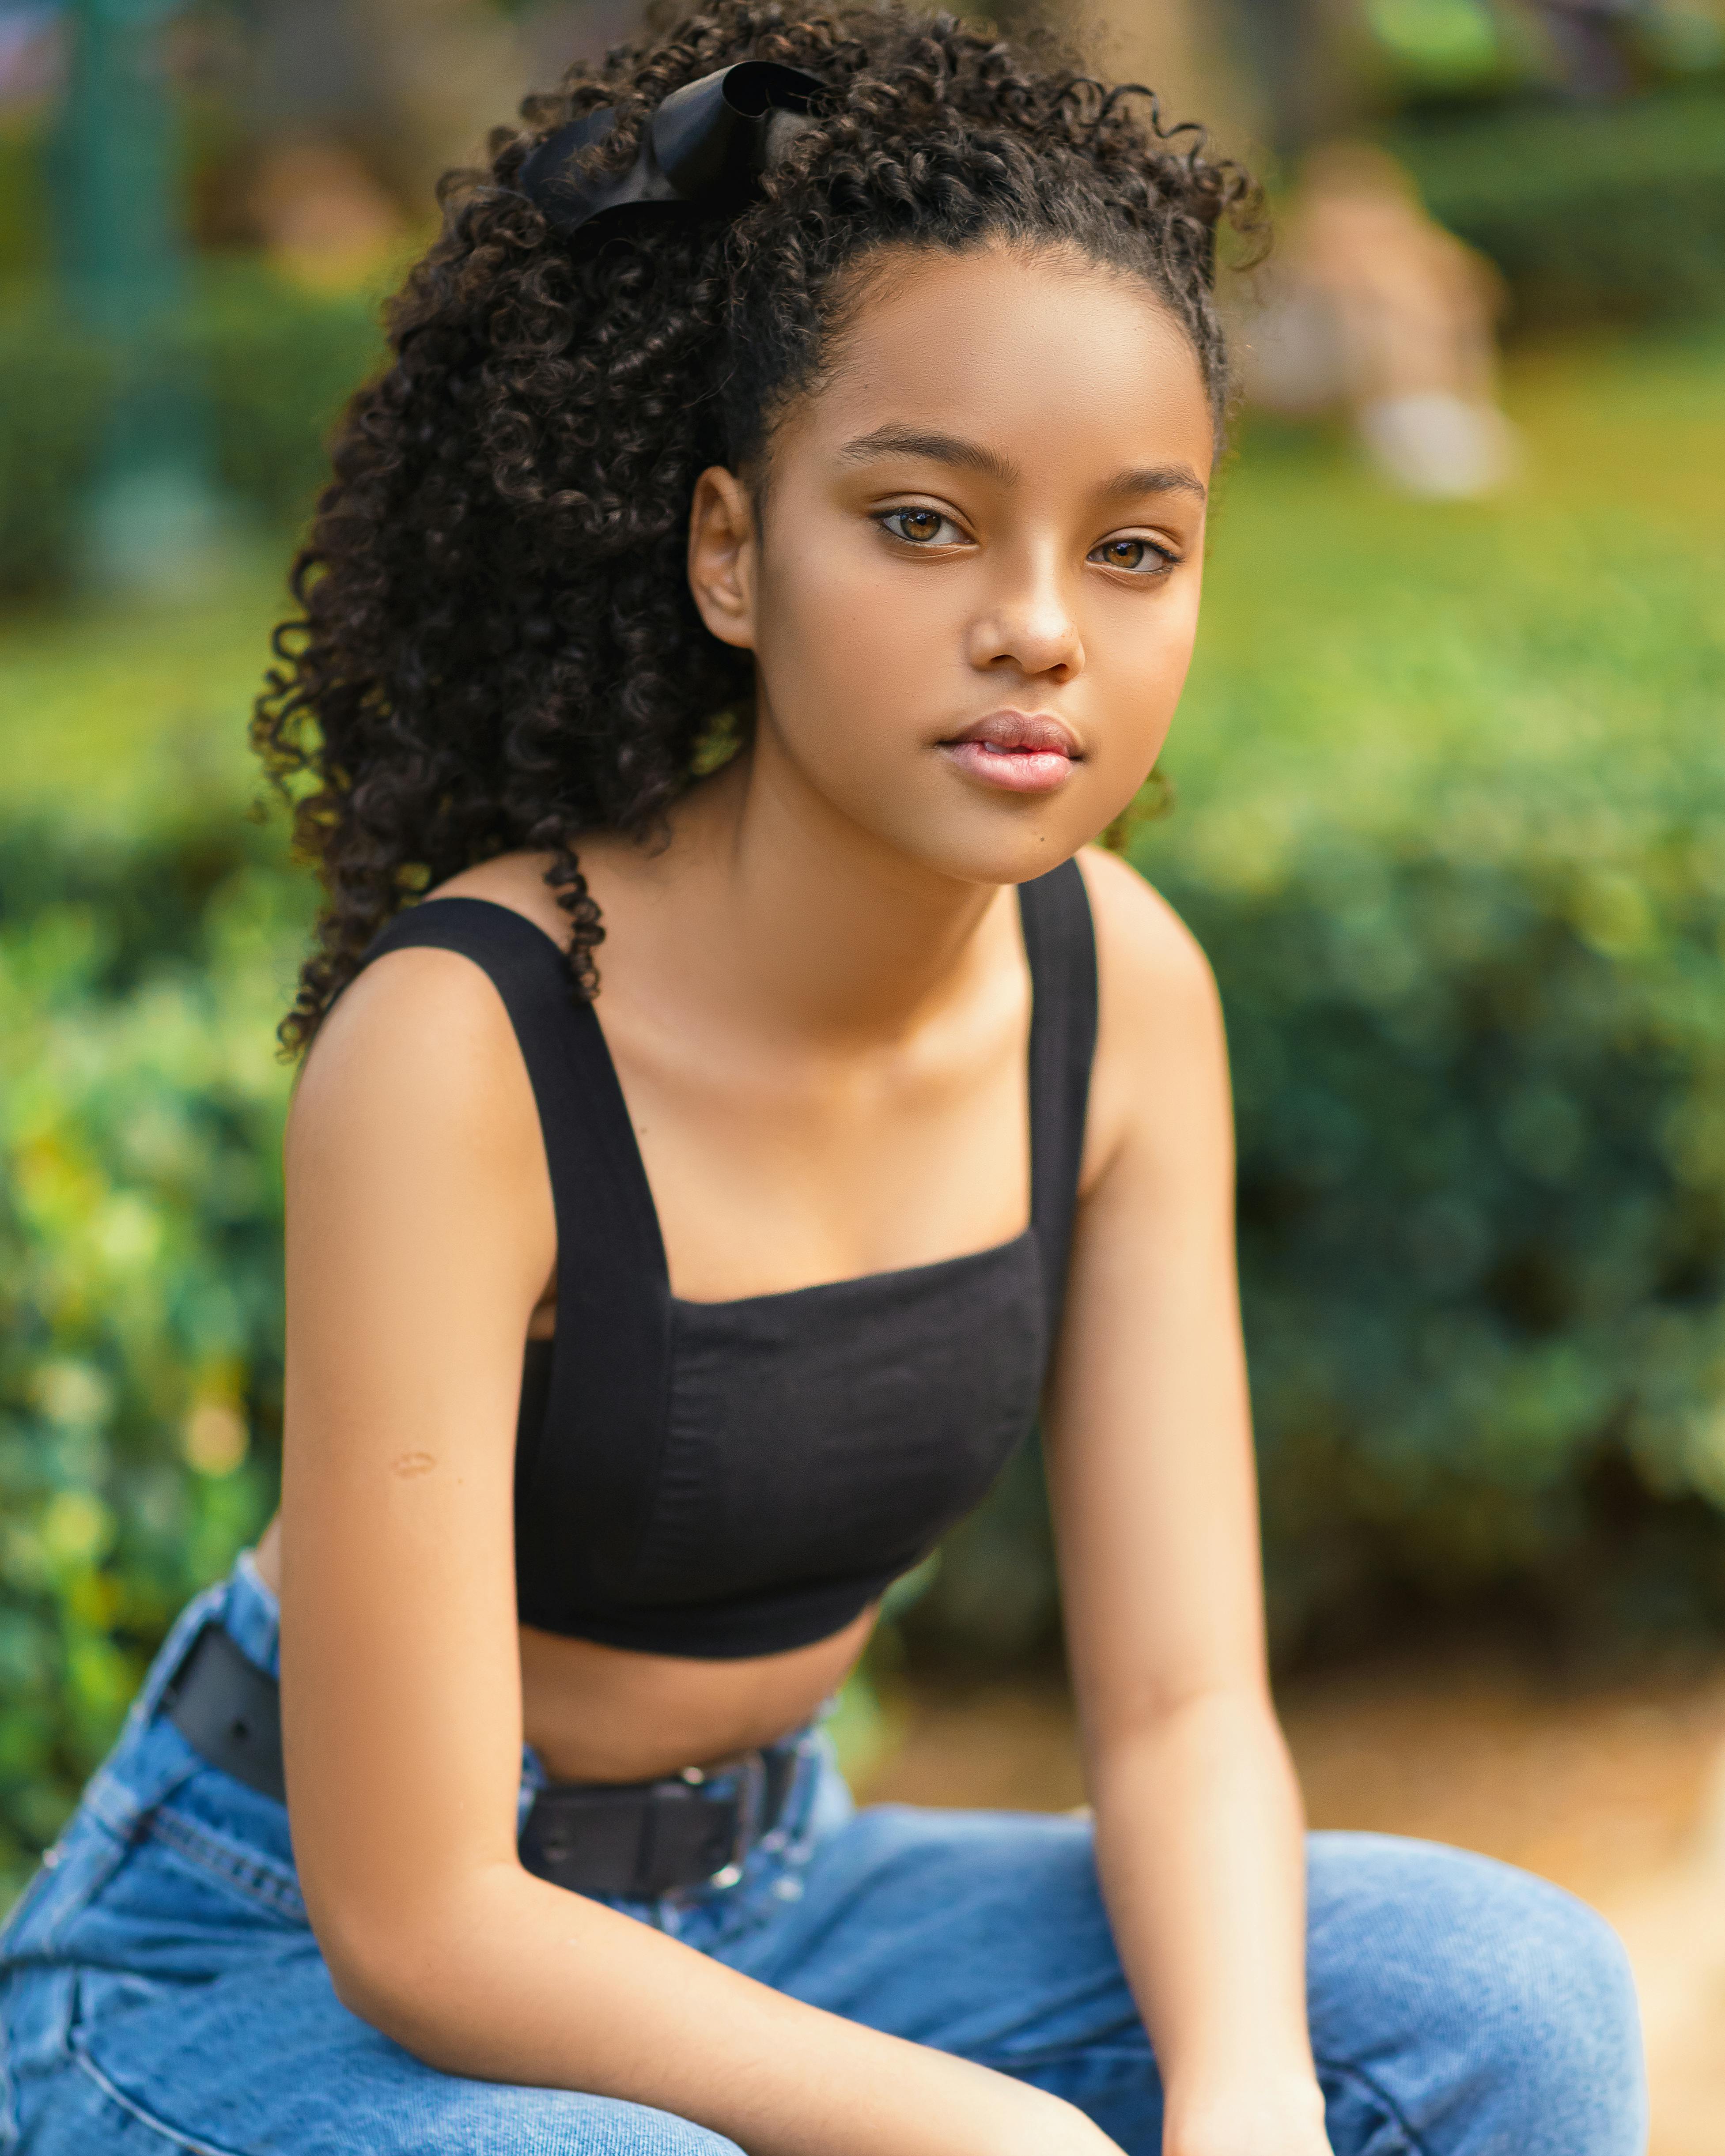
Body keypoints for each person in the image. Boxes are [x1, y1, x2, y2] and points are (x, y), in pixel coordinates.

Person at [0, 8, 1645, 2154]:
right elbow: (416, 1918)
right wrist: (1001, 2131)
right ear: (725, 553)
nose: (1040, 628)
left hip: (783, 1894)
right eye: (921, 522)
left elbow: (1174, 1710)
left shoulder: (1118, 996)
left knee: (1493, 2000)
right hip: (267, 1965)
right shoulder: (474, 1042)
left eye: (1130, 549)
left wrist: (1240, 2092)